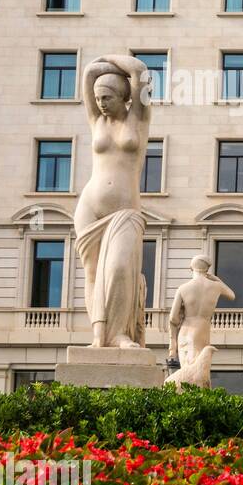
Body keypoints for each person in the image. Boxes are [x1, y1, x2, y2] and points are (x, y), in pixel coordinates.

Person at [74, 55, 152, 349]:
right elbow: (88, 73)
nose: (102, 103)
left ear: (124, 96)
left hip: (125, 209)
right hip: (90, 206)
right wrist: (99, 69)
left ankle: (118, 333)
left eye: (107, 97)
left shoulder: (139, 118)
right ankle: (99, 335)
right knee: (93, 272)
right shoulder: (97, 120)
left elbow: (140, 71)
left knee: (119, 269)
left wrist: (109, 61)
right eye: (98, 98)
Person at [168, 256, 237, 369]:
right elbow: (232, 295)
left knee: (187, 371)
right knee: (200, 370)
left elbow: (173, 318)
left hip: (185, 331)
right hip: (202, 331)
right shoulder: (217, 286)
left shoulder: (183, 288)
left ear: (192, 268)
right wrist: (217, 280)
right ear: (207, 269)